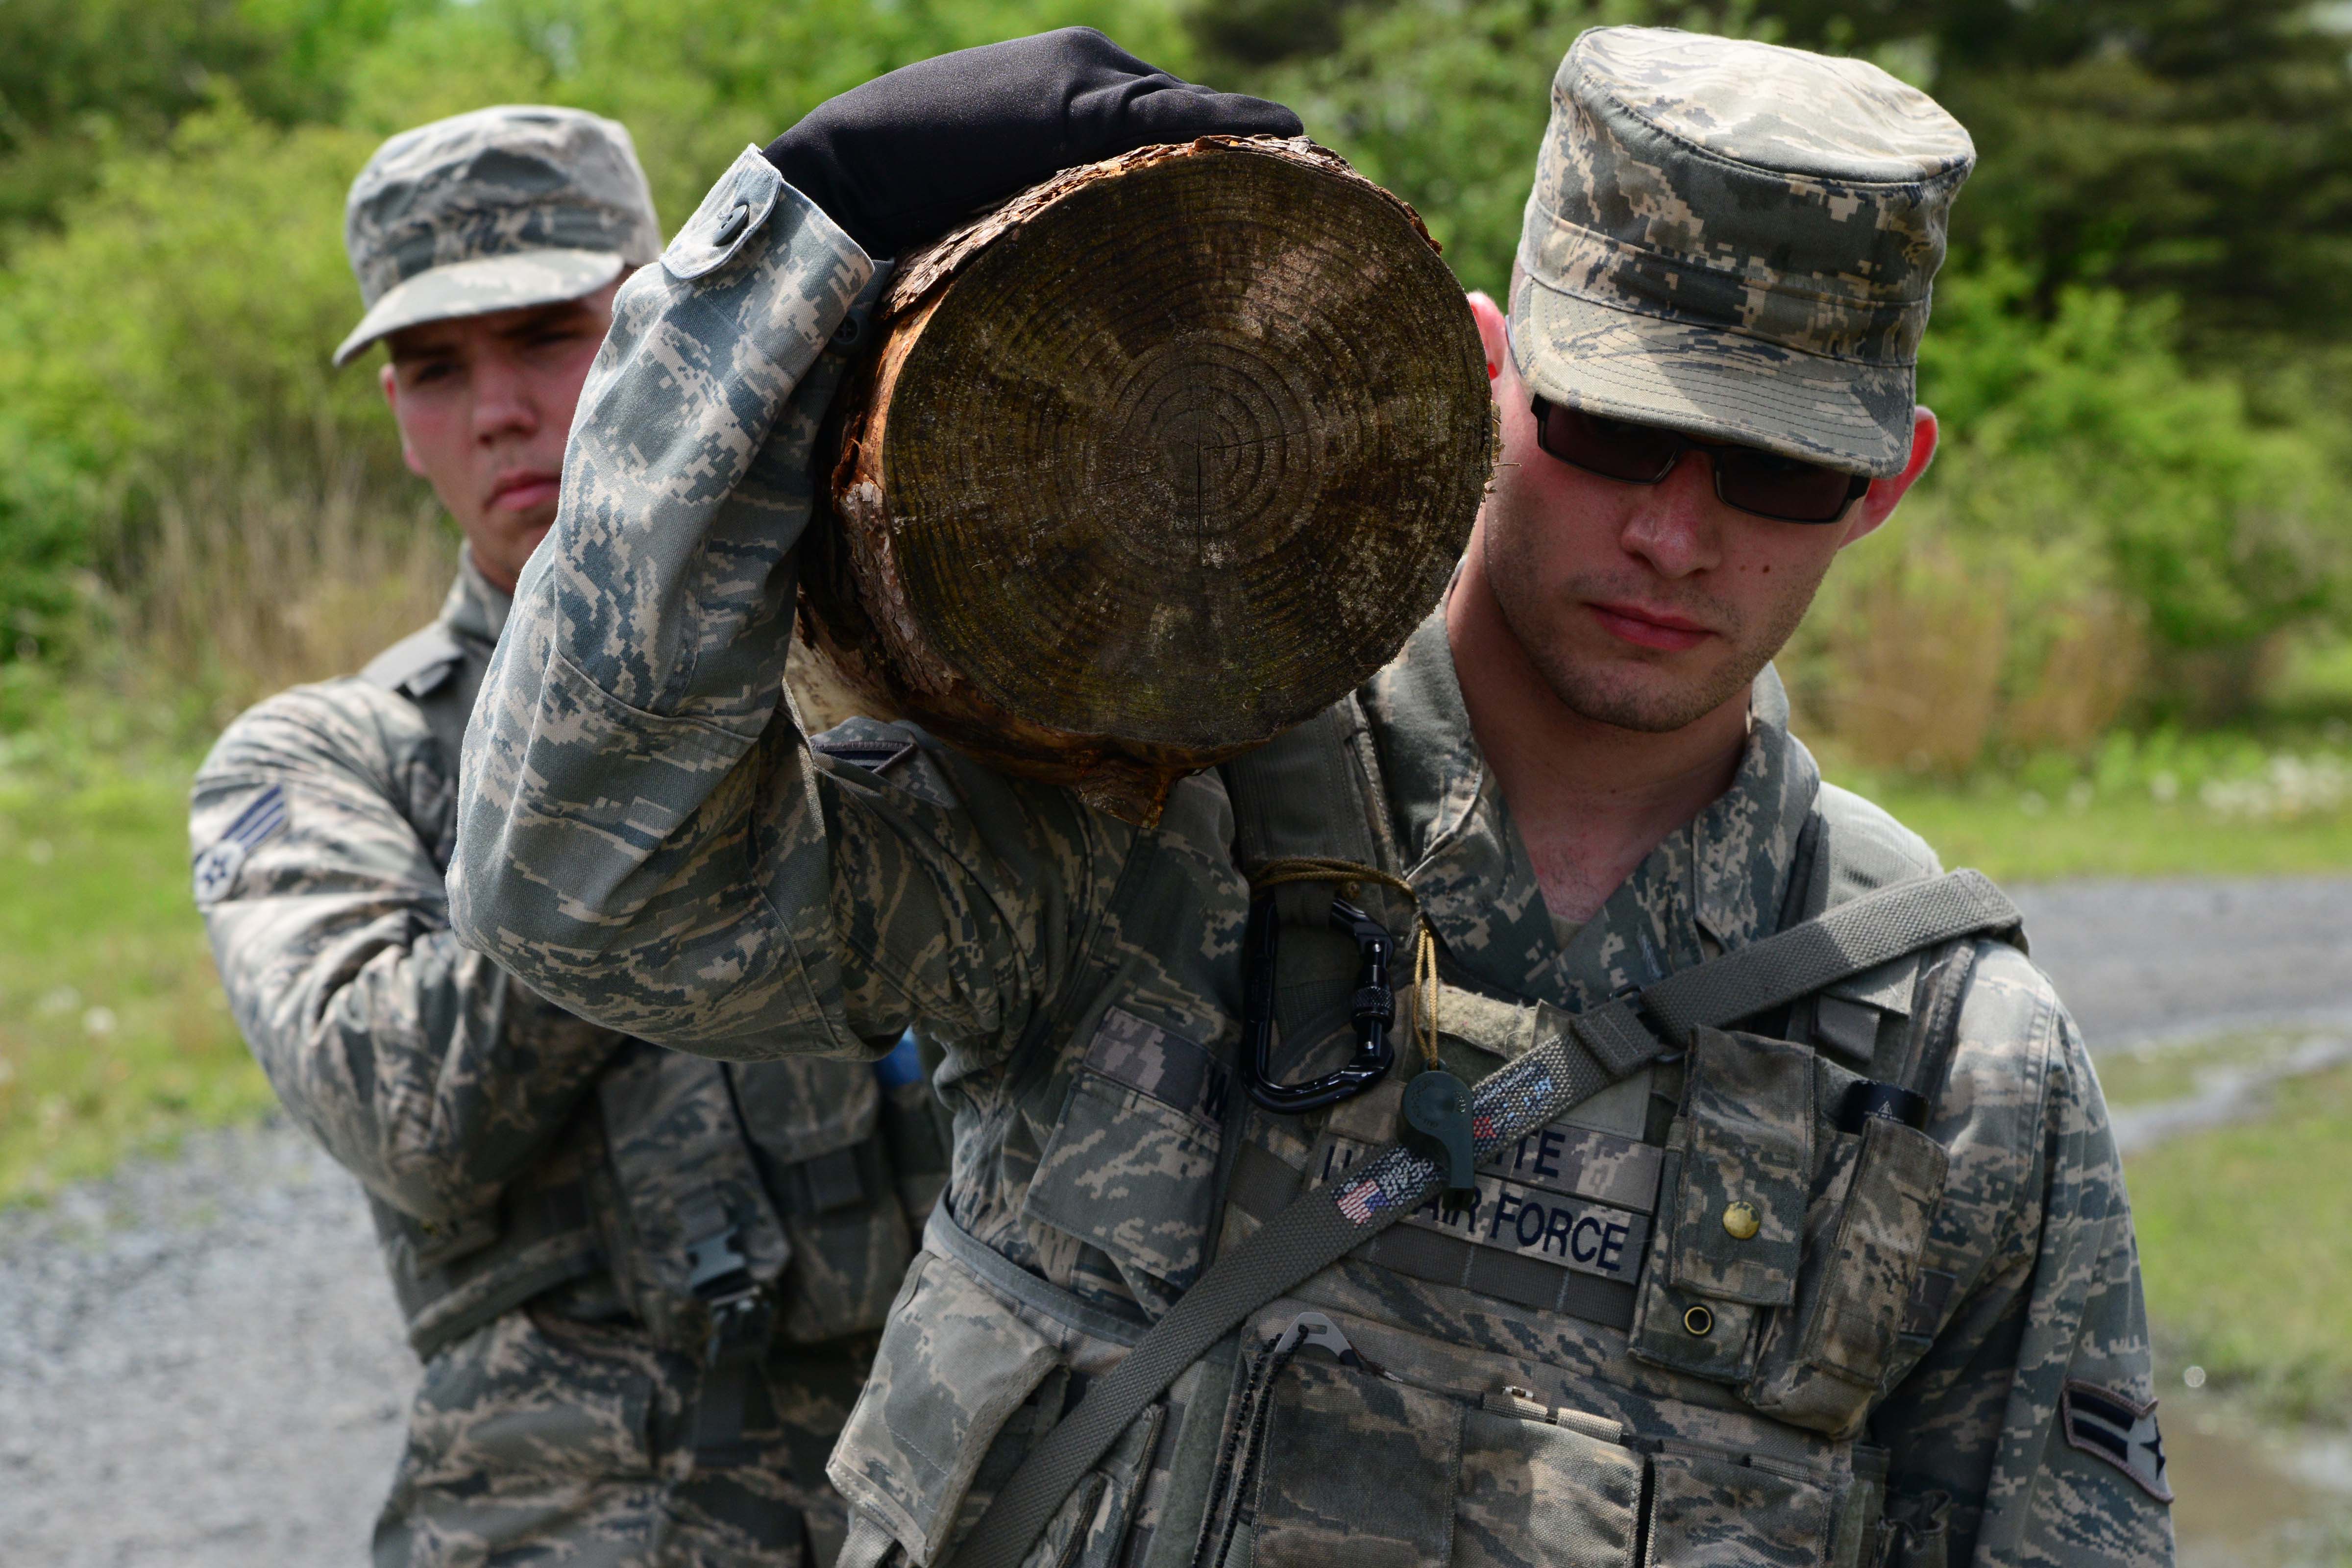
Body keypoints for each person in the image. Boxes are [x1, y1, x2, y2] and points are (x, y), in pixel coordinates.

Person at [449, 28, 2174, 1568]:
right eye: (1611, 430)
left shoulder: (1954, 1066)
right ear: (1492, 369)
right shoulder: (1144, 799)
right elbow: (589, 898)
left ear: (1889, 484)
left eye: (1781, 470)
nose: (1674, 531)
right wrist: (791, 247)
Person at [190, 105, 947, 1568]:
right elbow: (413, 1112)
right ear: (401, 417)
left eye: (547, 336)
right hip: (576, 1489)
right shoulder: (327, 757)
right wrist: (642, 751)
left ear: (657, 330)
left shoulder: (862, 656)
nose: (498, 411)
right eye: (433, 369)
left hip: (940, 1436)